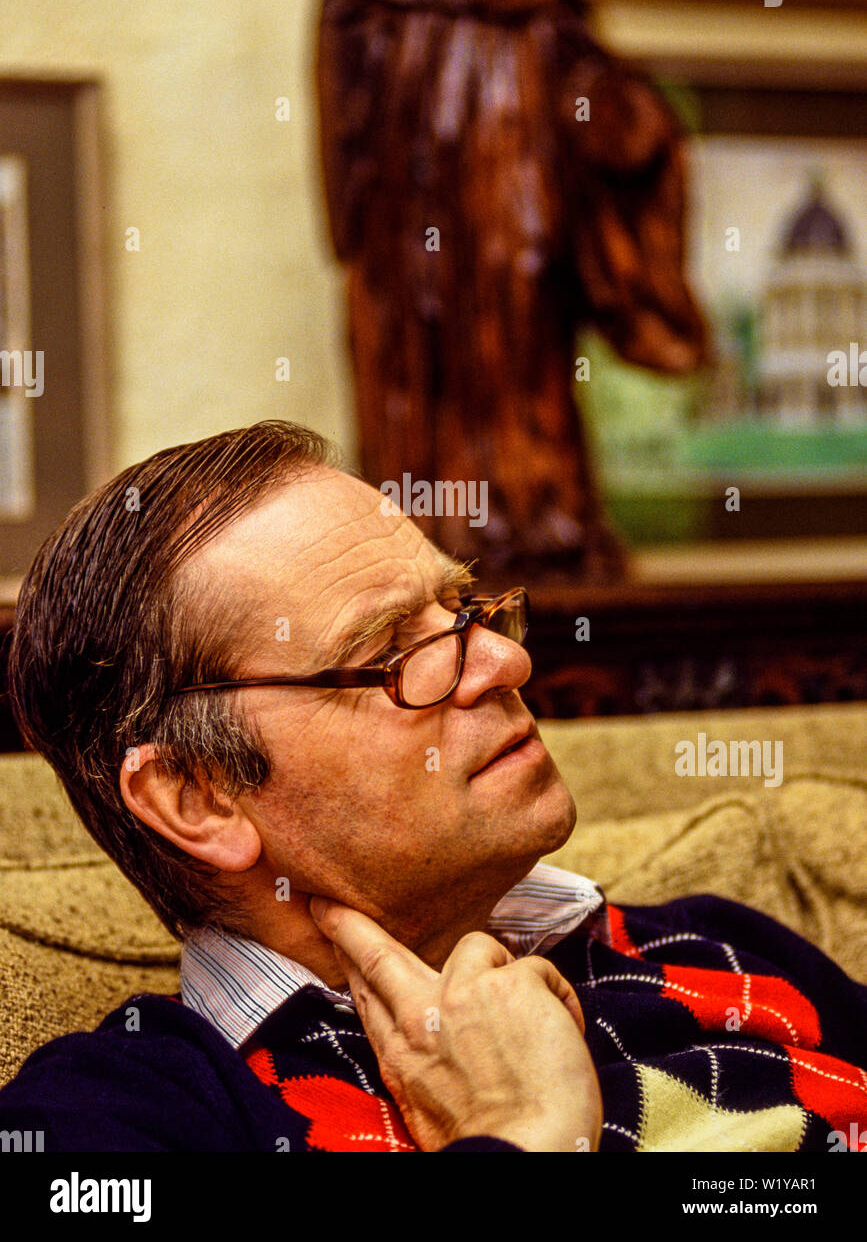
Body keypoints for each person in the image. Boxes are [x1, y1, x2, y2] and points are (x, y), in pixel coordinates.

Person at [0, 420, 864, 1152]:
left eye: (464, 610)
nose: (506, 660)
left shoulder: (714, 947)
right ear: (199, 795)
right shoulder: (116, 1120)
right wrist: (521, 1129)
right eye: (395, 654)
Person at [317, 0, 708, 580]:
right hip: (419, 232)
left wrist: (630, 122)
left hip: (523, 216)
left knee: (526, 355)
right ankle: (436, 532)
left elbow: (588, 86)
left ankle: (542, 517)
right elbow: (347, 122)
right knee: (429, 366)